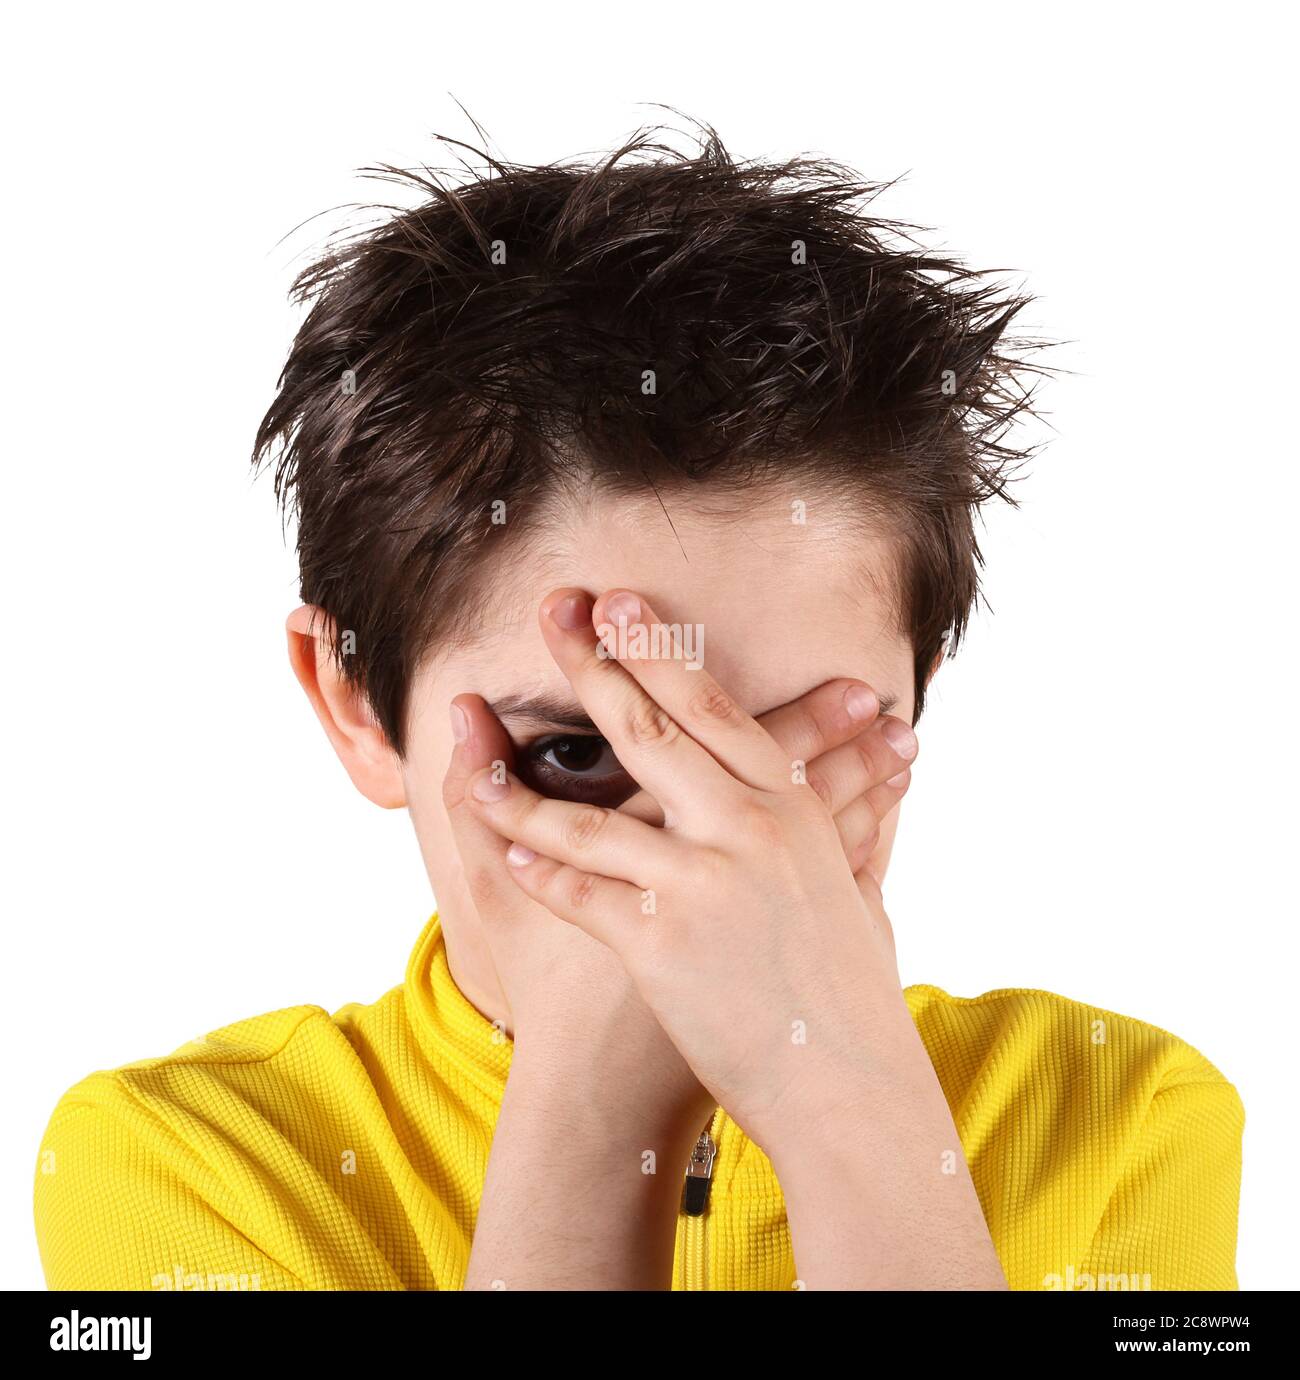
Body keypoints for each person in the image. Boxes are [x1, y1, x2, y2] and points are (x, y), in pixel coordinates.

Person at [34, 126, 1243, 1291]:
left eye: (788, 756)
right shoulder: (180, 1162)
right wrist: (592, 1102)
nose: (702, 864)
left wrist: (846, 1100)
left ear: (913, 702)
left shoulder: (1119, 1116)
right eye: (571, 753)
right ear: (356, 704)